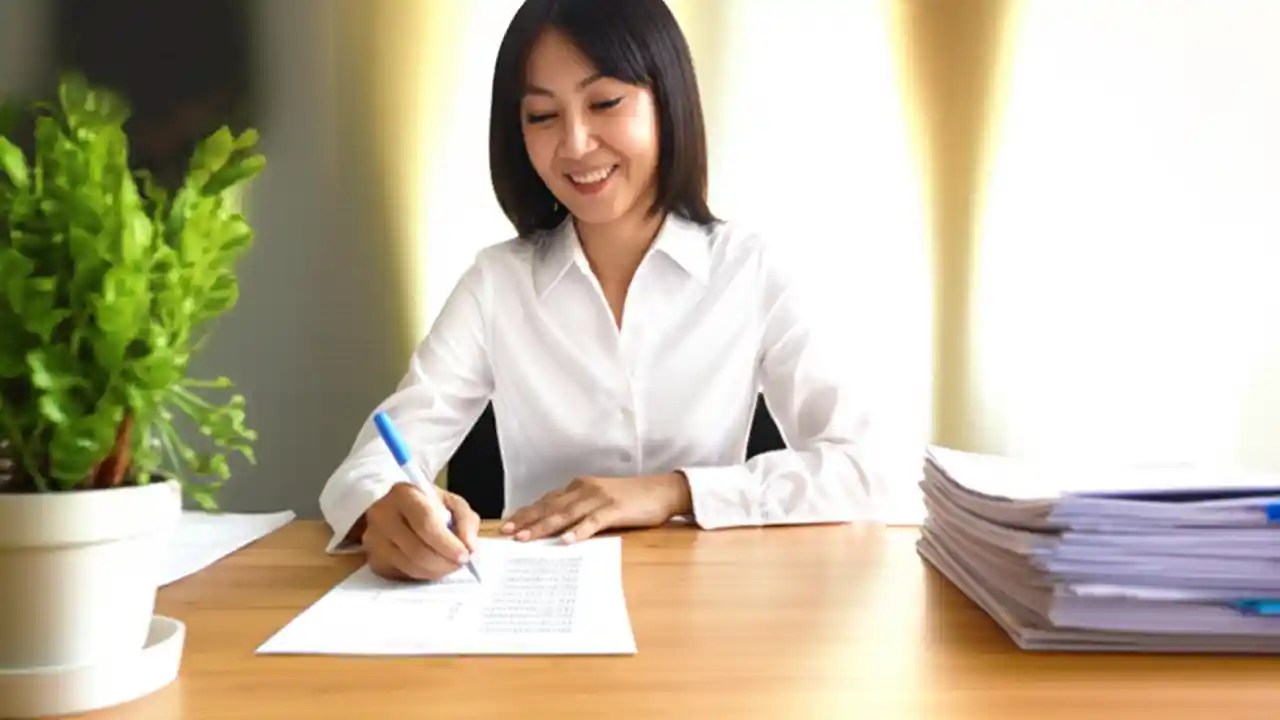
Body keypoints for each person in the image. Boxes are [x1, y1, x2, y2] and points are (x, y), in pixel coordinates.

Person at [319, 0, 883, 581]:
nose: (575, 143)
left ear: (667, 101)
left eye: (605, 103)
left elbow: (868, 469)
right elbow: (373, 463)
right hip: (536, 607)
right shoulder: (496, 284)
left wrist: (675, 492)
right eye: (541, 116)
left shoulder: (751, 270)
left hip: (708, 610)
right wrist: (386, 507)